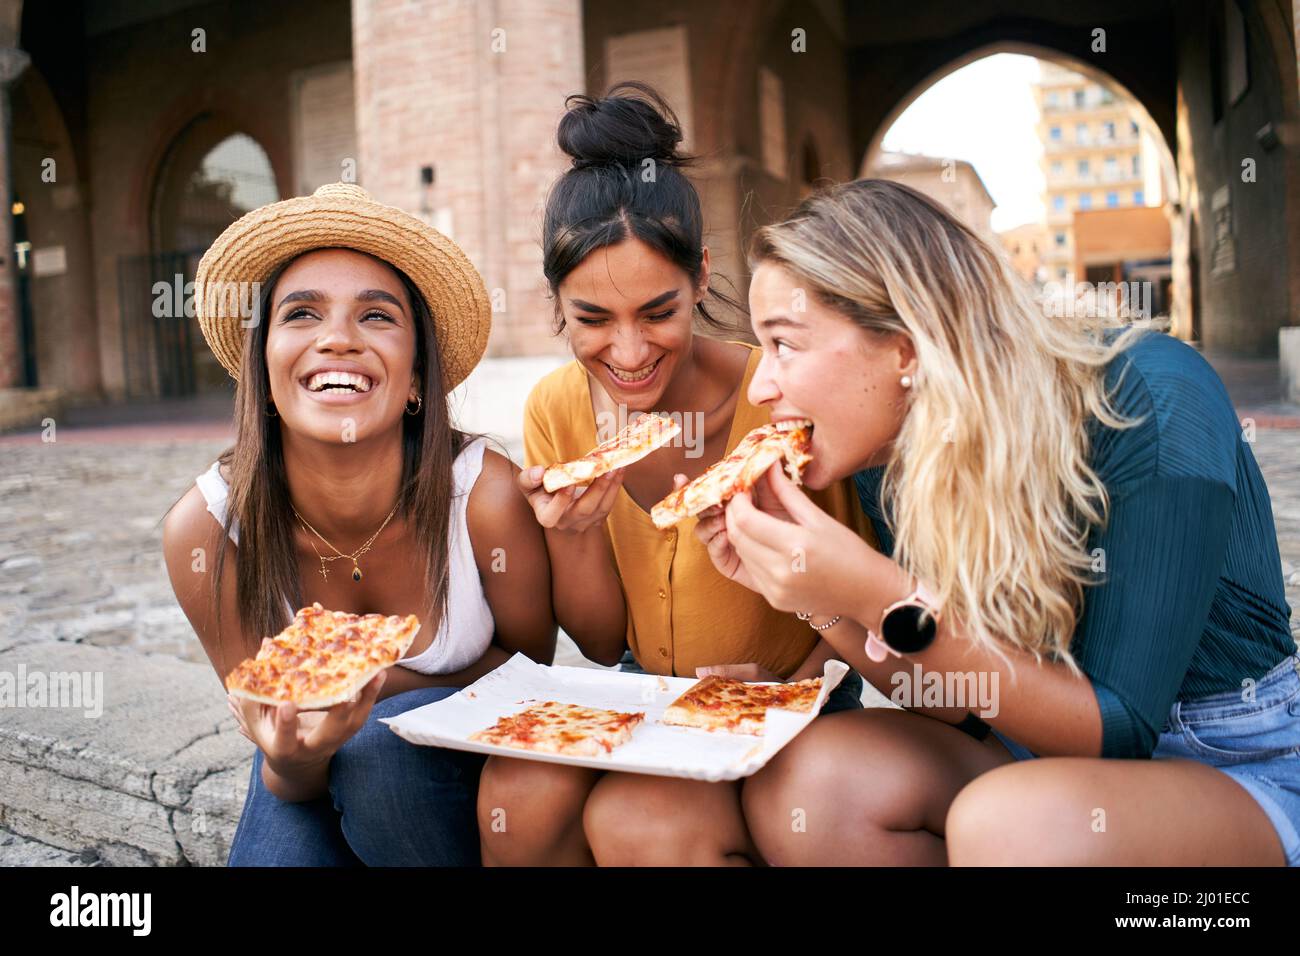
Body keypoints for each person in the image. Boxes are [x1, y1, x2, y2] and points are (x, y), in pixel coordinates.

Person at [696, 177, 1299, 866]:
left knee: (1008, 825)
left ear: (906, 348)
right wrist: (823, 602)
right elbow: (954, 703)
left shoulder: (1155, 399)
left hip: (1229, 762)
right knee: (811, 783)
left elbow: (1122, 728)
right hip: (1034, 753)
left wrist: (877, 595)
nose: (759, 386)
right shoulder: (884, 452)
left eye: (784, 344)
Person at [476, 83, 876, 866]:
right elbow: (596, 643)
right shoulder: (558, 411)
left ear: (702, 277)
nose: (628, 354)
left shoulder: (787, 399)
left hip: (800, 699)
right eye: (591, 320)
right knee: (514, 796)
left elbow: (872, 602)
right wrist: (578, 535)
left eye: (658, 312)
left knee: (648, 823)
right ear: (557, 300)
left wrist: (788, 682)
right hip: (647, 696)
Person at [162, 183, 555, 866]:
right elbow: (281, 758)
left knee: (379, 758)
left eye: (376, 317)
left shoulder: (484, 495)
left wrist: (362, 700)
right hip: (306, 781)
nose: (337, 338)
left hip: (465, 768)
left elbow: (532, 667)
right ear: (263, 366)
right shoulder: (206, 533)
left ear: (415, 380)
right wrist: (293, 754)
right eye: (302, 314)